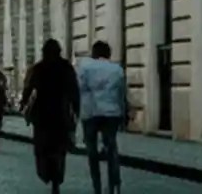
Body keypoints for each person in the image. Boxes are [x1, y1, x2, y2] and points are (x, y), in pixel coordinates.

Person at [19, 39, 80, 193]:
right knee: (60, 148)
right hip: (61, 113)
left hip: (42, 115)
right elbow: (74, 91)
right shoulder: (66, 67)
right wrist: (76, 110)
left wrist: (23, 104)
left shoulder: (38, 68)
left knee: (41, 148)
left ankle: (47, 173)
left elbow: (28, 88)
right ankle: (57, 176)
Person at [78, 41, 127, 194]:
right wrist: (123, 113)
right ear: (108, 54)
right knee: (111, 145)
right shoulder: (117, 70)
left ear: (94, 53)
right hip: (112, 112)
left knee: (92, 151)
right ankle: (114, 183)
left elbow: (79, 88)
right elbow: (122, 94)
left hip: (91, 112)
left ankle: (97, 186)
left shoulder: (85, 67)